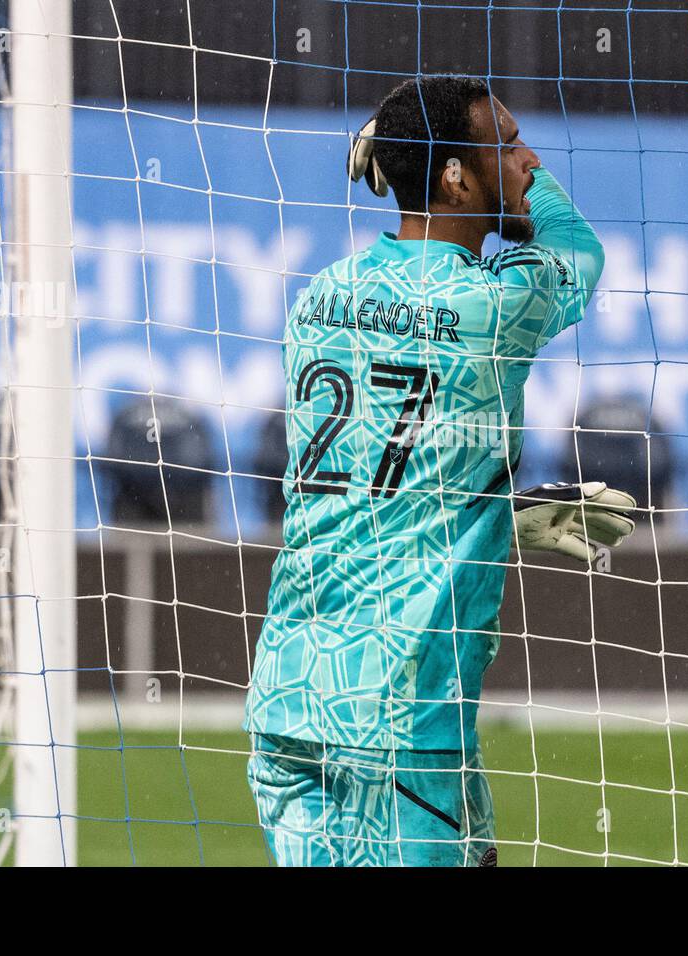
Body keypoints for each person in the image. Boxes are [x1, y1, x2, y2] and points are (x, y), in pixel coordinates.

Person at [244, 75, 636, 866]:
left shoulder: (320, 297)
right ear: (457, 176)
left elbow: (373, 465)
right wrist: (532, 185)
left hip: (292, 691)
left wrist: (491, 512)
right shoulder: (495, 307)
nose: (526, 158)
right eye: (508, 143)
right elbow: (578, 250)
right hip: (402, 710)